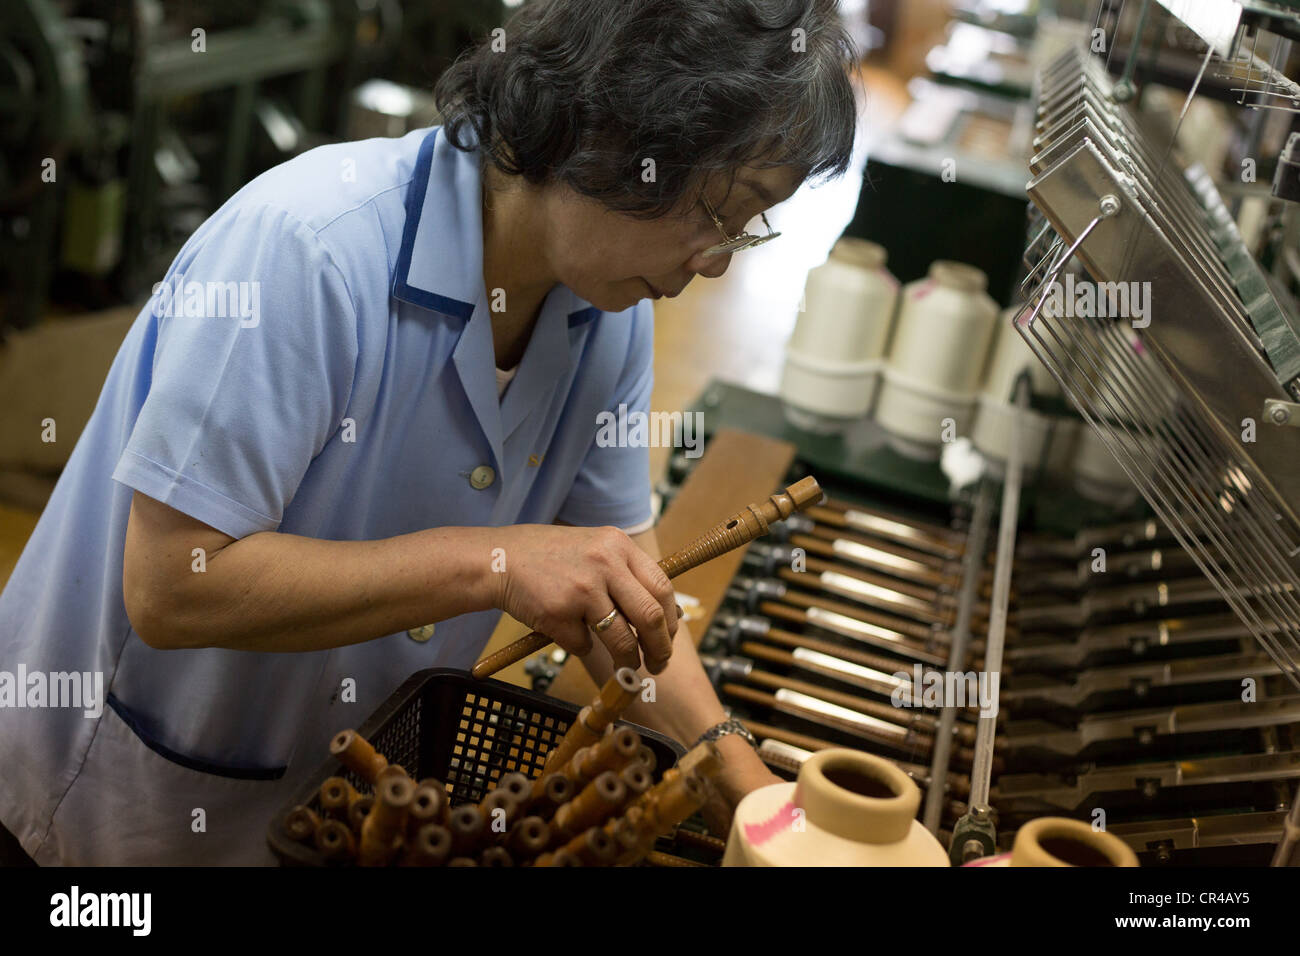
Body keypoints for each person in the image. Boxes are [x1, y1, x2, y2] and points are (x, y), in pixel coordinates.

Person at [0, 0, 857, 864]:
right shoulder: (311, 251)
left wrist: (756, 799)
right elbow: (172, 586)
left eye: (749, 226)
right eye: (720, 210)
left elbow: (624, 607)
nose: (717, 260)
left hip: (329, 807)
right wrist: (493, 563)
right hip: (101, 815)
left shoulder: (608, 310)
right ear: (615, 128)